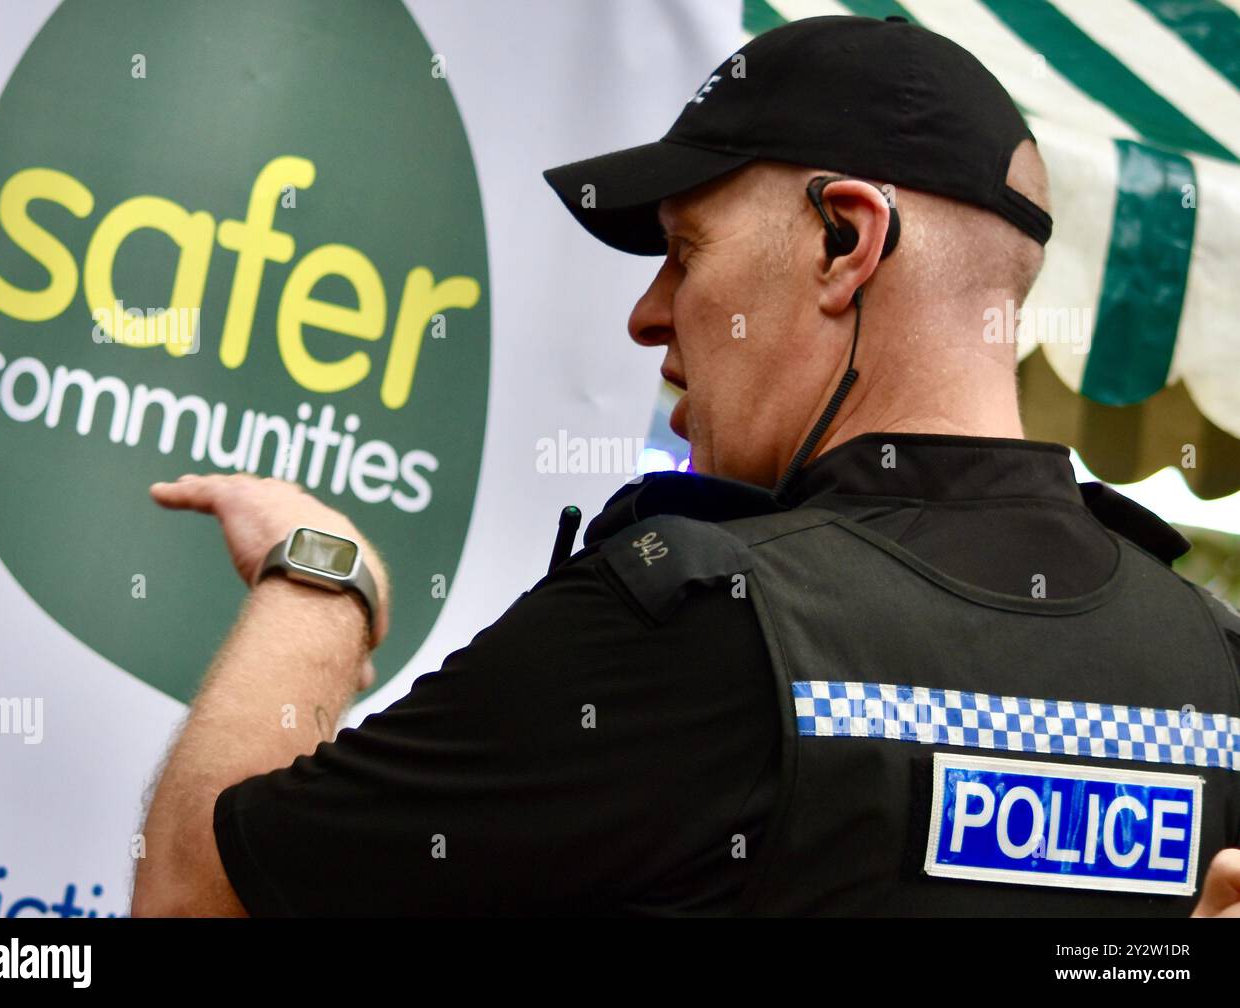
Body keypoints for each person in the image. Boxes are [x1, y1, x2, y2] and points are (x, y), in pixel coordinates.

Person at [131, 15, 1240, 916]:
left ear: (845, 241)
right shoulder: (1212, 664)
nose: (647, 316)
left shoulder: (701, 620)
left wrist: (319, 578)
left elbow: (194, 895)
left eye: (684, 251)